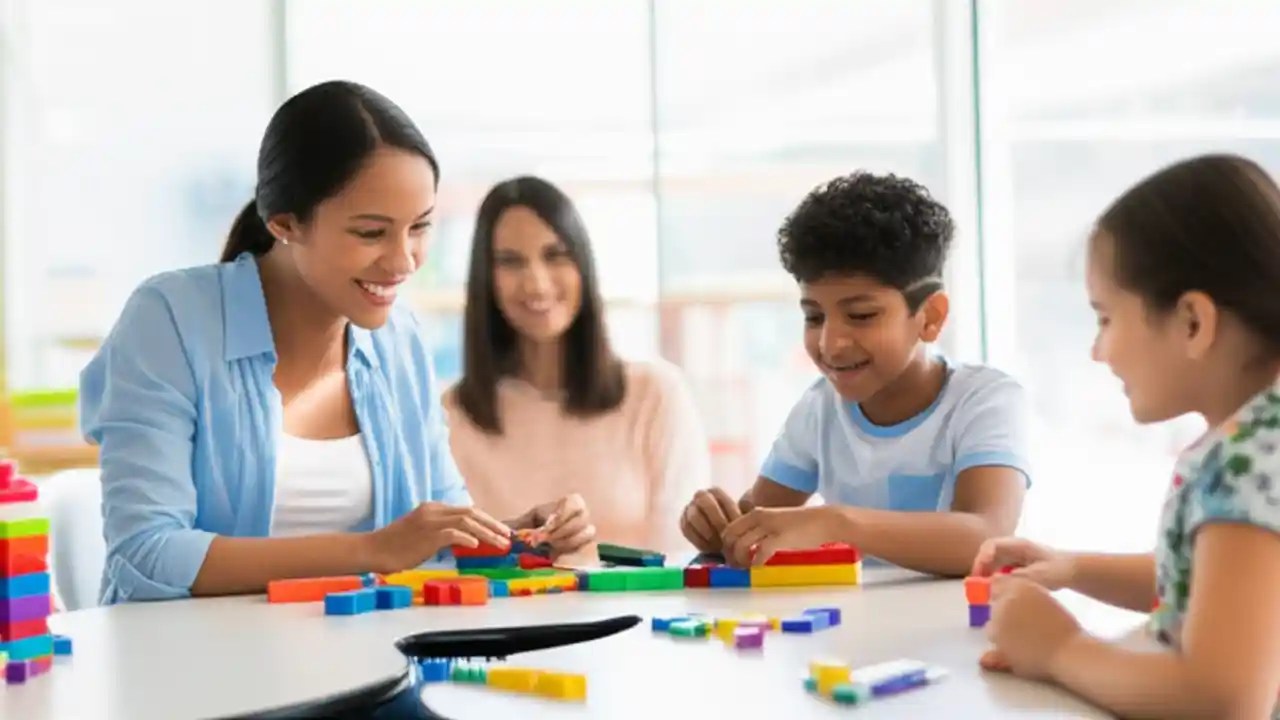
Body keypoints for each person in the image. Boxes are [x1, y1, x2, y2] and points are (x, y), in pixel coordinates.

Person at [79, 82, 593, 605]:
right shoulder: (171, 320)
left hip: (368, 665)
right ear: (285, 223)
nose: (404, 261)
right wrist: (371, 551)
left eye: (418, 228)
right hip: (199, 673)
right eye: (371, 233)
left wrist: (516, 539)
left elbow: (433, 541)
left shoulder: (400, 341)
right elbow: (146, 554)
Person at [973, 154, 1280, 718]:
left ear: (1192, 322)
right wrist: (1073, 568)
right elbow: (1210, 585)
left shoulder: (1245, 463)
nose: (1097, 350)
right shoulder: (1264, 441)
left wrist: (1061, 650)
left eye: (1106, 318)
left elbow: (1225, 700)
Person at [678, 171, 1031, 575]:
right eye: (813, 316)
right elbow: (757, 522)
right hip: (851, 632)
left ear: (930, 318)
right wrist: (717, 527)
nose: (831, 344)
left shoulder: (986, 399)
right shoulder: (819, 407)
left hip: (966, 631)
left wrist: (836, 522)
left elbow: (986, 539)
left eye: (861, 316)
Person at [444, 175, 711, 553]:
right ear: (485, 279)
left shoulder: (656, 394)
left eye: (555, 255)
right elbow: (445, 563)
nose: (536, 284)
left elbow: (681, 558)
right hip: (499, 613)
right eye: (510, 262)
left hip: (639, 612)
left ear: (583, 264)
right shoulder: (449, 415)